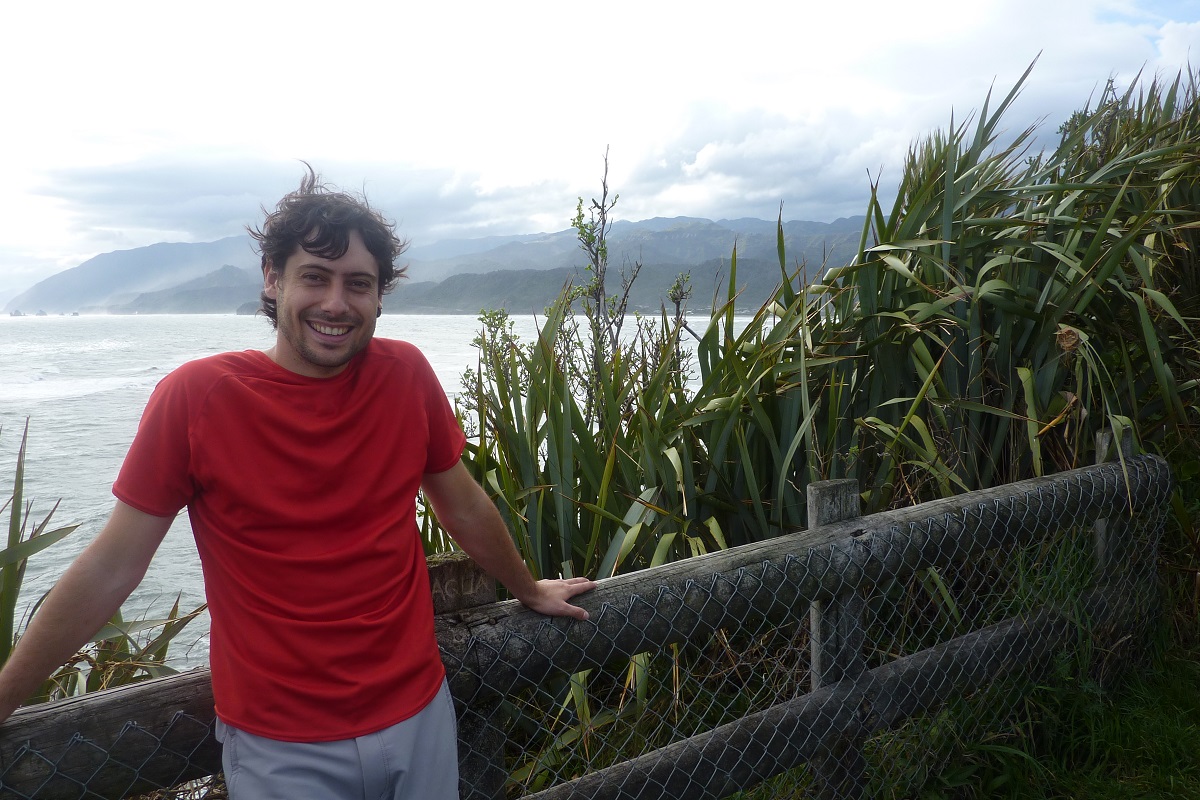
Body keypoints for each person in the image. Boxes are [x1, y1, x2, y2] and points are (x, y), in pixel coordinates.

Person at [0, 168, 596, 799]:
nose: (336, 303)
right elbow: (112, 568)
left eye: (358, 284)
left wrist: (527, 589)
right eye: (315, 276)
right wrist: (7, 696)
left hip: (418, 712)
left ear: (379, 297)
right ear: (272, 278)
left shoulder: (405, 375)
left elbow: (463, 506)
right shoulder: (197, 398)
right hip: (280, 746)